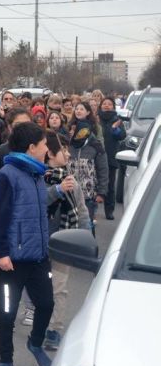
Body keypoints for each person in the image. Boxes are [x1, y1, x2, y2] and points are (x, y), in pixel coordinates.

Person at [0, 122, 55, 366]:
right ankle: (5, 361)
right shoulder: (7, 175)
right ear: (31, 148)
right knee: (8, 312)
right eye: (44, 144)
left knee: (46, 304)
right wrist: (1, 253)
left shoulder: (37, 174)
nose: (47, 149)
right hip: (11, 261)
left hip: (38, 256)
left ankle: (35, 343)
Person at [42, 131, 90, 351]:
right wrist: (57, 190)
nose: (68, 154)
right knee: (39, 285)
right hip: (40, 239)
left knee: (59, 287)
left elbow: (81, 210)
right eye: (64, 150)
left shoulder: (72, 181)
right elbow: (35, 203)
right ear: (50, 153)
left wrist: (86, 236)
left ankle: (54, 329)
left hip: (63, 241)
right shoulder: (38, 177)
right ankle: (37, 322)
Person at [68, 102, 108, 233]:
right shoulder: (68, 144)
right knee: (70, 227)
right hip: (69, 193)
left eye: (83, 130)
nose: (79, 133)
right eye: (76, 109)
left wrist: (101, 192)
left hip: (88, 195)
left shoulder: (95, 145)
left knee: (87, 227)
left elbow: (103, 169)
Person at [97, 97, 126, 220]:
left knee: (110, 185)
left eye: (109, 104)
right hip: (96, 156)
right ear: (101, 106)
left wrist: (115, 129)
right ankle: (92, 210)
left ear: (113, 107)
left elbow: (122, 136)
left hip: (111, 156)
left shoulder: (117, 120)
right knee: (93, 184)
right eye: (104, 104)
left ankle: (109, 210)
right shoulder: (96, 119)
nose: (107, 106)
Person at [0, 108, 32, 181]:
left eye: (27, 124)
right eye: (19, 124)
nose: (24, 128)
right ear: (9, 127)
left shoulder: (39, 148)